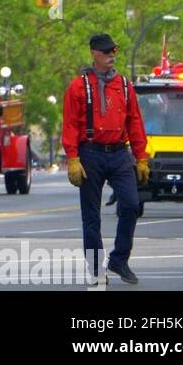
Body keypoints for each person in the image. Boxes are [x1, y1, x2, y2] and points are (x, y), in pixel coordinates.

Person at [62, 33, 149, 285]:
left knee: (131, 204)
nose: (111, 55)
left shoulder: (123, 85)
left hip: (120, 153)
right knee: (91, 217)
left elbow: (135, 121)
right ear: (93, 53)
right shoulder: (78, 86)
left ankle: (119, 259)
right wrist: (73, 158)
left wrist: (141, 157)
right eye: (106, 51)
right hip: (90, 153)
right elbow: (69, 124)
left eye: (113, 51)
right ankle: (96, 270)